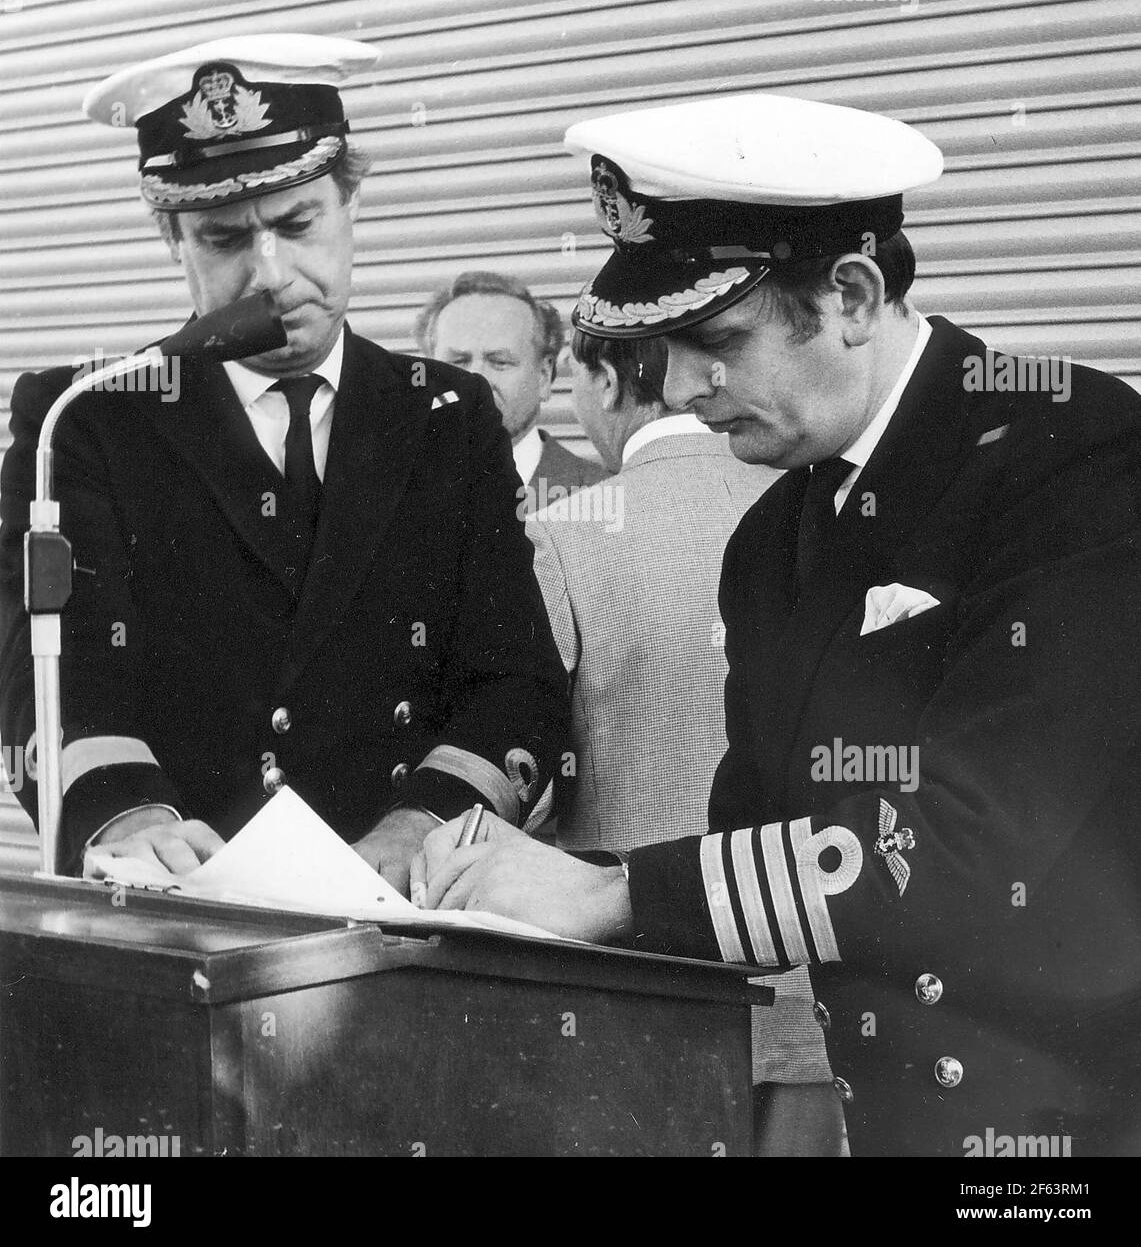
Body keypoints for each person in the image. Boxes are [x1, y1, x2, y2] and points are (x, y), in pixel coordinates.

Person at [414, 92, 1141, 1157]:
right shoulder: (772, 536)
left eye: (714, 340)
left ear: (849, 295)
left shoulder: (1075, 459)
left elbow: (976, 841)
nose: (676, 387)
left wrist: (610, 894)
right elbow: (754, 841)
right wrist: (516, 891)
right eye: (660, 347)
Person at [0, 35, 567, 886]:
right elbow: (47, 671)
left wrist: (424, 824)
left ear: (351, 205)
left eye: (298, 225)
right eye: (224, 239)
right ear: (172, 240)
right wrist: (130, 816)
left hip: (399, 908)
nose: (271, 273)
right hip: (186, 905)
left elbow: (512, 675)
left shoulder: (447, 414)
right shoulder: (87, 417)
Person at [530, 327, 839, 1155]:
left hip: (643, 996)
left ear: (603, 380)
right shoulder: (825, 513)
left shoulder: (564, 534)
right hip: (819, 995)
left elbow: (529, 778)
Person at [415, 271, 602, 510]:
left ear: (544, 376)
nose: (476, 381)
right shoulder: (388, 494)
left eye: (500, 362)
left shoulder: (601, 498)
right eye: (458, 362)